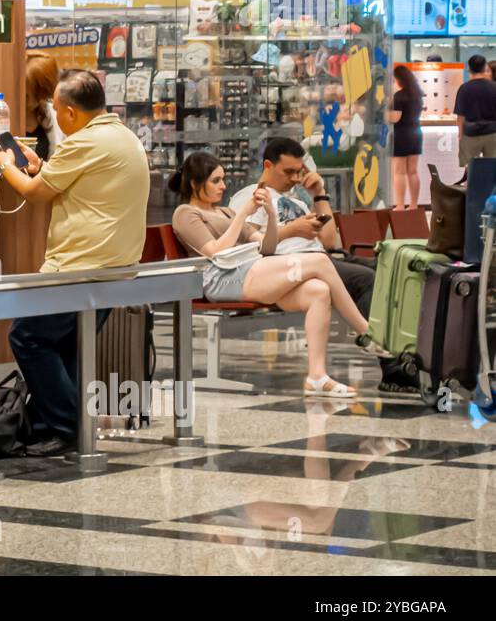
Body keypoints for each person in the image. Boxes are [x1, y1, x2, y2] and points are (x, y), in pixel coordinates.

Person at [0, 69, 149, 457]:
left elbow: (34, 193)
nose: (58, 118)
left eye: (59, 111)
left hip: (81, 267)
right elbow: (78, 187)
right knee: (65, 344)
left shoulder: (82, 143)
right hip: (115, 264)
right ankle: (54, 428)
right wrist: (38, 165)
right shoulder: (123, 137)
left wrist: (4, 165)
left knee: (27, 336)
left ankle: (71, 427)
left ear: (71, 113)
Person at [171, 151, 384, 399]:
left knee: (319, 290)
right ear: (195, 184)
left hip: (251, 270)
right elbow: (215, 252)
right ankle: (365, 332)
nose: (223, 186)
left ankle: (317, 376)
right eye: (216, 181)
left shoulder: (225, 213)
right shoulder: (185, 213)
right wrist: (243, 214)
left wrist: (271, 215)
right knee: (319, 261)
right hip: (222, 278)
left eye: (223, 179)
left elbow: (266, 246)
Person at [229, 137, 416, 394]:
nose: (295, 178)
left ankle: (405, 352)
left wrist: (319, 194)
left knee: (388, 272)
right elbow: (251, 243)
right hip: (290, 265)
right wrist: (291, 229)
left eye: (299, 171)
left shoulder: (297, 199)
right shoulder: (249, 197)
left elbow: (328, 240)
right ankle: (392, 366)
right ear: (268, 165)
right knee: (366, 279)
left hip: (321, 257)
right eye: (289, 172)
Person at [389, 65, 424, 209]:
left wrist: (383, 114)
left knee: (399, 172)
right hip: (416, 133)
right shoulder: (417, 94)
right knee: (413, 171)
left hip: (401, 134)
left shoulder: (399, 96)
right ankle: (414, 205)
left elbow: (396, 118)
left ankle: (400, 205)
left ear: (399, 79)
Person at [455, 54, 496, 166]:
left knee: (471, 168)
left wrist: (460, 133)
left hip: (470, 133)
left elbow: (460, 116)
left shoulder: (464, 89)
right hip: (492, 132)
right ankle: (490, 184)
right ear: (484, 68)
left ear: (469, 70)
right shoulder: (494, 87)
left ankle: (472, 183)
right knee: (492, 167)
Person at [25, 53, 62, 159]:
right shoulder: (3, 117)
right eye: (26, 95)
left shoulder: (54, 116)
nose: (30, 101)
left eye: (37, 94)